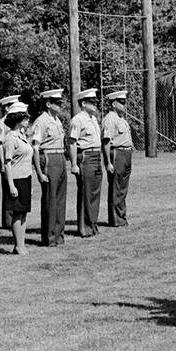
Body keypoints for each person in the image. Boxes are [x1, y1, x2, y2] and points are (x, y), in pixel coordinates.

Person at [31, 88, 68, 247]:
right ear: (48, 104)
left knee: (60, 199)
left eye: (60, 102)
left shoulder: (57, 120)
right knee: (50, 199)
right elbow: (35, 147)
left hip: (60, 157)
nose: (60, 105)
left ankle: (59, 234)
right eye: (56, 103)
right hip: (48, 158)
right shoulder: (42, 121)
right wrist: (39, 172)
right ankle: (49, 236)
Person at [0, 102, 33, 255]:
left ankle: (21, 244)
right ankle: (18, 245)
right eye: (25, 117)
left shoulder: (22, 136)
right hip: (16, 179)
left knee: (23, 212)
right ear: (18, 118)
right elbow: (7, 163)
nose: (28, 120)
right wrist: (11, 185)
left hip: (25, 178)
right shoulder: (10, 138)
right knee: (17, 213)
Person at [69, 88, 103, 238]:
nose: (95, 104)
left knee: (95, 192)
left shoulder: (93, 119)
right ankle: (84, 227)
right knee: (86, 192)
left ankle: (92, 224)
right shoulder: (78, 120)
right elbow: (72, 143)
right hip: (86, 156)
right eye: (91, 102)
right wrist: (74, 164)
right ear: (83, 103)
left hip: (96, 155)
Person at [101, 90, 133, 227]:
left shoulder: (121, 119)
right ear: (113, 104)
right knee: (116, 187)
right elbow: (106, 142)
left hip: (125, 154)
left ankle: (121, 217)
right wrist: (108, 162)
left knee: (122, 189)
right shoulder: (110, 119)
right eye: (121, 102)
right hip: (117, 154)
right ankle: (116, 219)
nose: (124, 105)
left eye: (124, 102)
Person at [0, 94, 20, 229]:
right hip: (7, 160)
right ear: (6, 108)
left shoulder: (15, 121)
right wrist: (2, 163)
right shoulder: (3, 123)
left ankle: (13, 219)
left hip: (16, 160)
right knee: (8, 190)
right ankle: (8, 221)